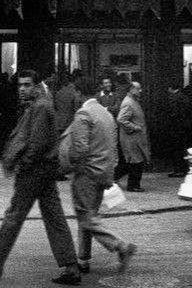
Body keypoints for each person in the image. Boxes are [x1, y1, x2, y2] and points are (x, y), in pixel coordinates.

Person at [0, 69, 80, 285]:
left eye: (27, 85)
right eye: (20, 85)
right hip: (45, 171)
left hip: (34, 172)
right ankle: (71, 266)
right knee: (54, 218)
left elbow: (36, 144)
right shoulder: (40, 105)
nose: (22, 89)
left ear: (37, 86)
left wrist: (23, 165)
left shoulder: (40, 107)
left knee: (14, 215)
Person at [66, 79, 138, 275]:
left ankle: (120, 245)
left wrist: (68, 164)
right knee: (88, 215)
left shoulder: (83, 114)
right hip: (103, 172)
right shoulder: (106, 114)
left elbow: (79, 148)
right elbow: (112, 146)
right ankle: (83, 259)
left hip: (86, 173)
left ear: (79, 93)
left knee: (86, 217)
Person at [115, 82, 150, 192]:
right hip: (131, 138)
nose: (140, 90)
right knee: (136, 162)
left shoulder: (133, 101)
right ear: (131, 89)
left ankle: (114, 179)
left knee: (131, 162)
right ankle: (133, 185)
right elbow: (121, 119)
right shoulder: (129, 103)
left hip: (135, 138)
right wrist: (135, 127)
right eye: (138, 88)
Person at [164, 81, 192, 177]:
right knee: (183, 148)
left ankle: (178, 170)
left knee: (176, 149)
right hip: (184, 127)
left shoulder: (173, 98)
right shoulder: (184, 97)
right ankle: (185, 168)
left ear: (171, 88)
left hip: (176, 127)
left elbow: (173, 114)